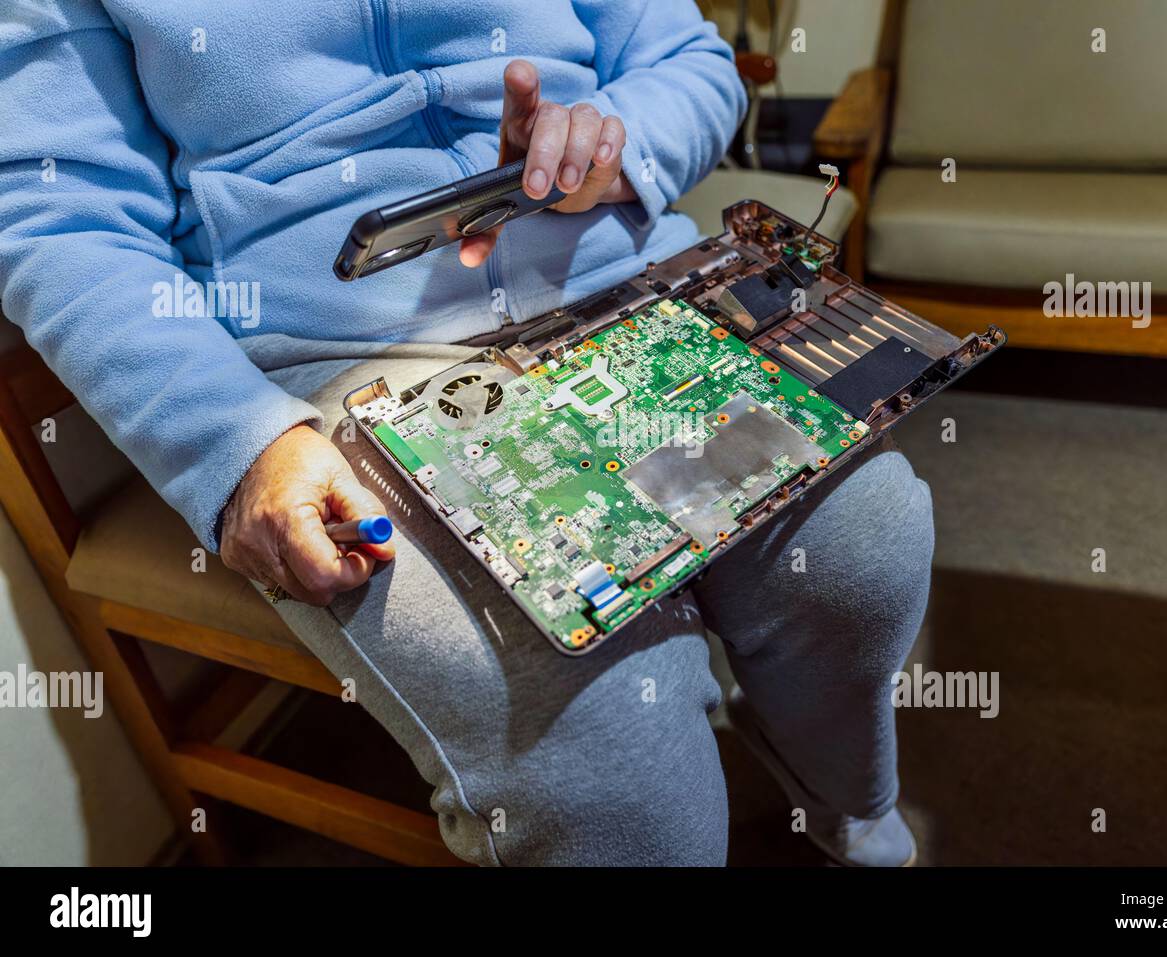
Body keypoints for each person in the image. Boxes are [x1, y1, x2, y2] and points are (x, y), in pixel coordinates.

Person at [0, 0, 931, 866]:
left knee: (867, 547)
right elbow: (57, 211)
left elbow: (688, 58)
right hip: (333, 367)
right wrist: (232, 445)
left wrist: (616, 149)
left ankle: (846, 805)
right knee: (613, 766)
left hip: (623, 284)